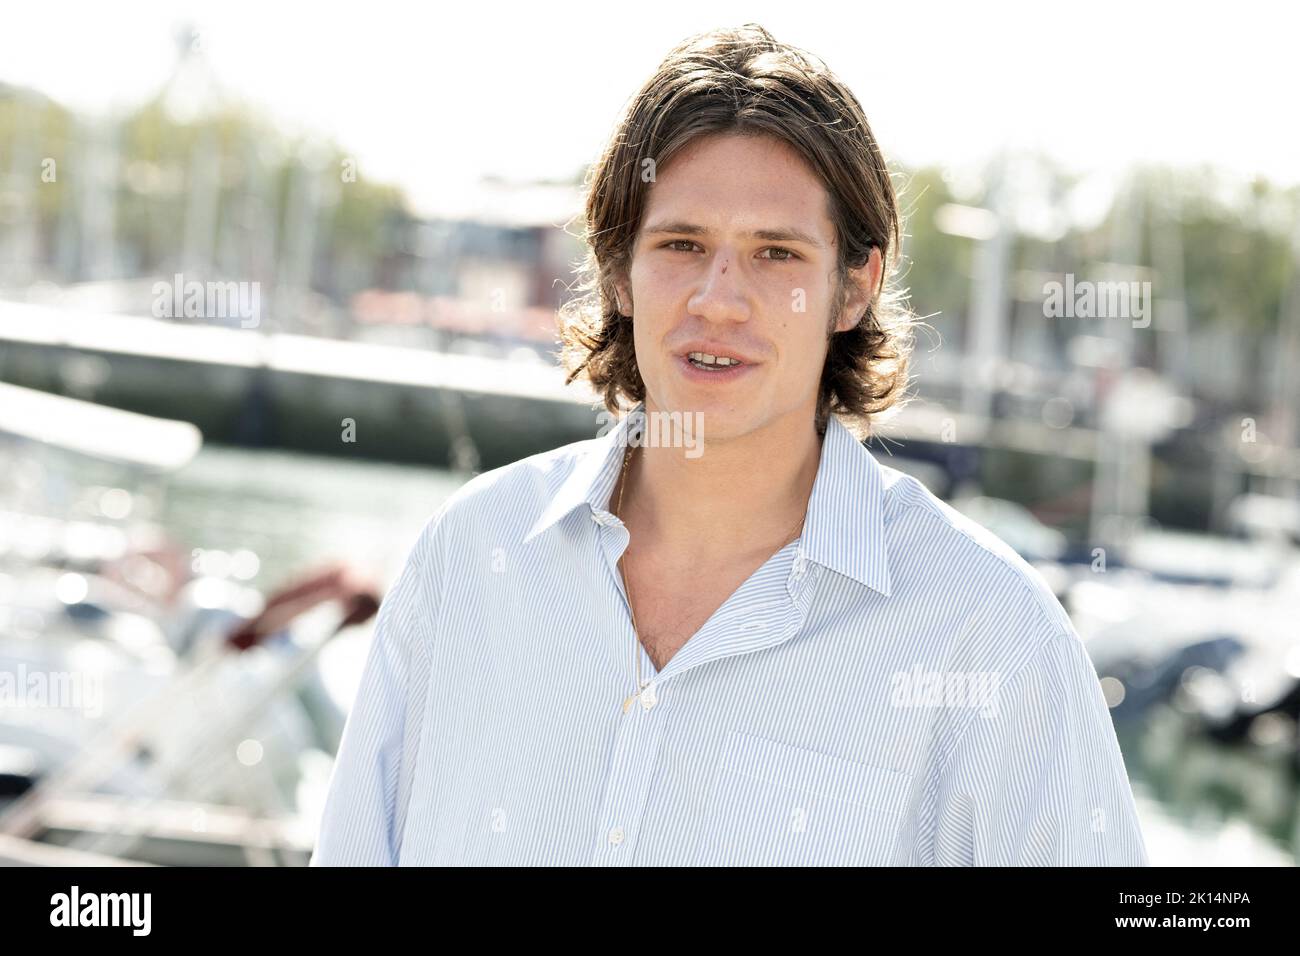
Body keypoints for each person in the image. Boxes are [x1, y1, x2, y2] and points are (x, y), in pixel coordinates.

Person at [311, 22, 1148, 866]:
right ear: (617, 270)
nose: (720, 299)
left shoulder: (991, 634)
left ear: (853, 287)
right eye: (682, 244)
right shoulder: (470, 559)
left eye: (775, 253)